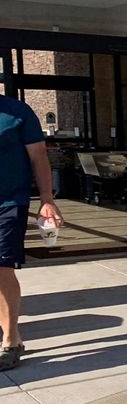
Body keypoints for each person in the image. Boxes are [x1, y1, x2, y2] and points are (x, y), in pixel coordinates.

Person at [0, 95, 63, 371]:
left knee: (2, 268)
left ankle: (11, 340)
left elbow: (38, 156)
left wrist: (46, 198)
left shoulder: (17, 112)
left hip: (8, 203)